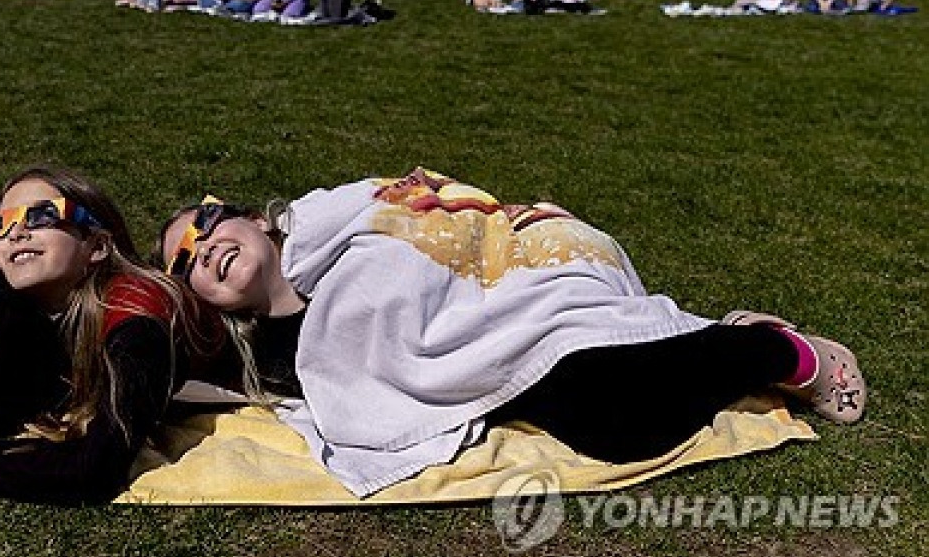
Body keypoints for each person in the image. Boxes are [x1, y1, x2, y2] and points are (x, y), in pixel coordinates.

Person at [158, 168, 867, 497]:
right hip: (489, 375)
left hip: (508, 298)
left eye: (206, 224)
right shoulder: (263, 351)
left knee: (612, 396)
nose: (202, 248)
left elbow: (437, 225)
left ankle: (788, 353)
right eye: (183, 262)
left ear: (253, 219)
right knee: (618, 433)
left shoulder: (340, 221)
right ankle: (732, 337)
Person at [0, 167, 233, 505]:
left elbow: (93, 474)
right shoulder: (40, 317)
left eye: (41, 216)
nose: (16, 233)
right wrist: (9, 303)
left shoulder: (137, 316)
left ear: (96, 246)